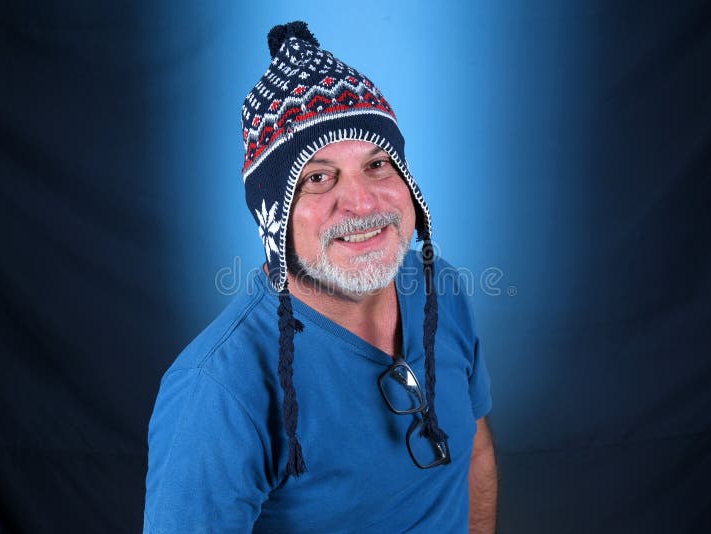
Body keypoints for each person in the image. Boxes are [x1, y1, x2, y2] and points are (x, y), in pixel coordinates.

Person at [144, 21, 497, 533]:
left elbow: (474, 451)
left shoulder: (439, 289)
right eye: (317, 177)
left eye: (378, 164)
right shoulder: (219, 390)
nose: (363, 203)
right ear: (274, 217)